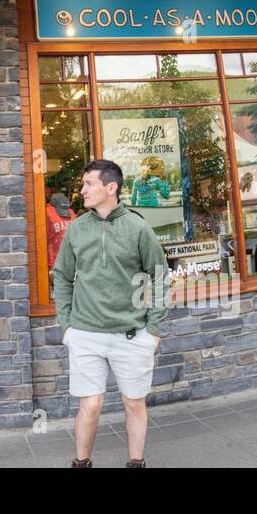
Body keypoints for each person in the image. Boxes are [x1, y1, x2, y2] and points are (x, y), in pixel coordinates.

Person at [54, 159, 168, 469]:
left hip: (131, 334)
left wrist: (154, 329)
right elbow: (62, 277)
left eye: (88, 183)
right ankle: (81, 462)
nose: (82, 190)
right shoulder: (77, 229)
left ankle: (136, 463)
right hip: (86, 334)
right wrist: (66, 326)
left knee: (134, 404)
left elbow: (159, 274)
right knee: (90, 405)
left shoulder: (138, 227)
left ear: (110, 187)